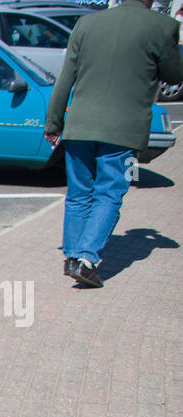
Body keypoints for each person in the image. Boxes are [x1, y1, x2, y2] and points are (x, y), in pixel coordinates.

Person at [44, 0, 182, 288]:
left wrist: (54, 122)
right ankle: (86, 259)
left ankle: (71, 256)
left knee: (79, 193)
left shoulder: (87, 23)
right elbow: (174, 74)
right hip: (123, 130)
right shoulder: (162, 26)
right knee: (109, 193)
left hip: (79, 126)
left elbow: (65, 78)